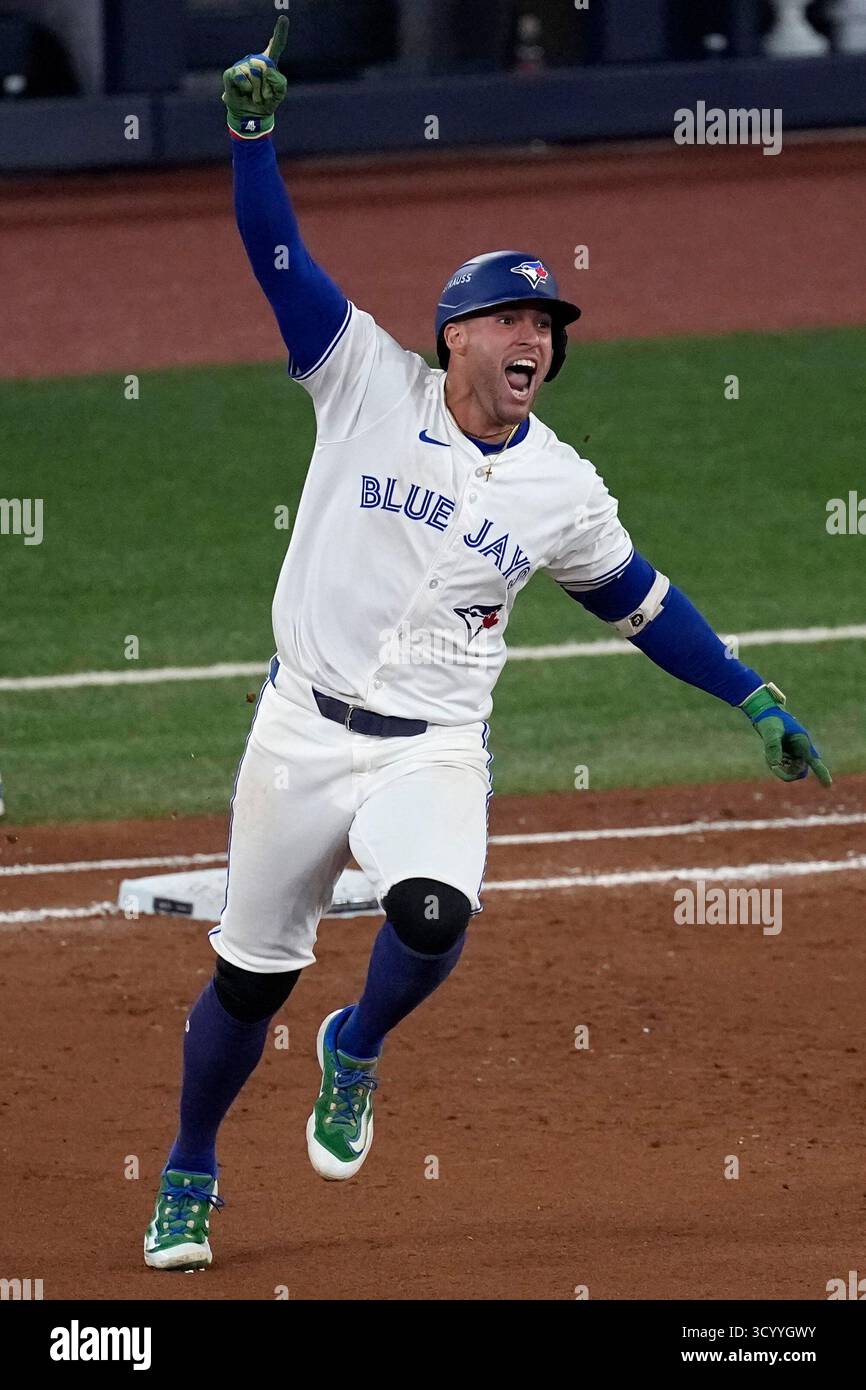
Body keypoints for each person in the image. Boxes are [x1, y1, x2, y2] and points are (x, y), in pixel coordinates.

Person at [144, 14, 830, 1271]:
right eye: (512, 318)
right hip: (298, 730)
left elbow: (641, 601)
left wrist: (748, 693)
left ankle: (354, 1047)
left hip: (432, 749)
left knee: (432, 908)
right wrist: (250, 139)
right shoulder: (363, 381)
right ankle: (189, 1167)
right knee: (247, 984)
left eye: (548, 327)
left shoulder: (561, 488)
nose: (535, 339)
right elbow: (279, 257)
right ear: (454, 331)